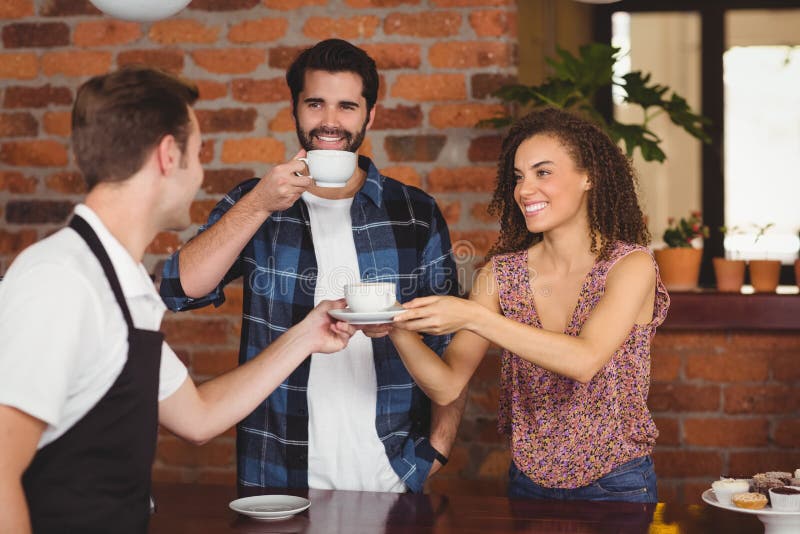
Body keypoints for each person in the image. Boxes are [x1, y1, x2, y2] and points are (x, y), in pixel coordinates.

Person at [0, 66, 354, 534]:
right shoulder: (60, 278)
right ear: (169, 155)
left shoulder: (122, 285)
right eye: (199, 153)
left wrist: (308, 334)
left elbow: (199, 416)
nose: (201, 172)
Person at [159, 39, 465, 493]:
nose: (329, 121)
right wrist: (260, 204)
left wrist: (436, 448)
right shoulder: (257, 199)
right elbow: (180, 289)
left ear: (369, 116)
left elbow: (451, 339)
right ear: (295, 110)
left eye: (346, 106)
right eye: (315, 103)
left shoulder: (414, 211)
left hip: (389, 472)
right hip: (276, 473)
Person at [373, 107, 669, 502]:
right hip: (527, 484)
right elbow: (445, 387)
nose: (524, 190)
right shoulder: (500, 274)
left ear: (588, 177)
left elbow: (584, 361)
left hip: (617, 484)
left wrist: (476, 317)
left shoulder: (630, 265)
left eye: (542, 172)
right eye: (518, 177)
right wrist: (393, 323)